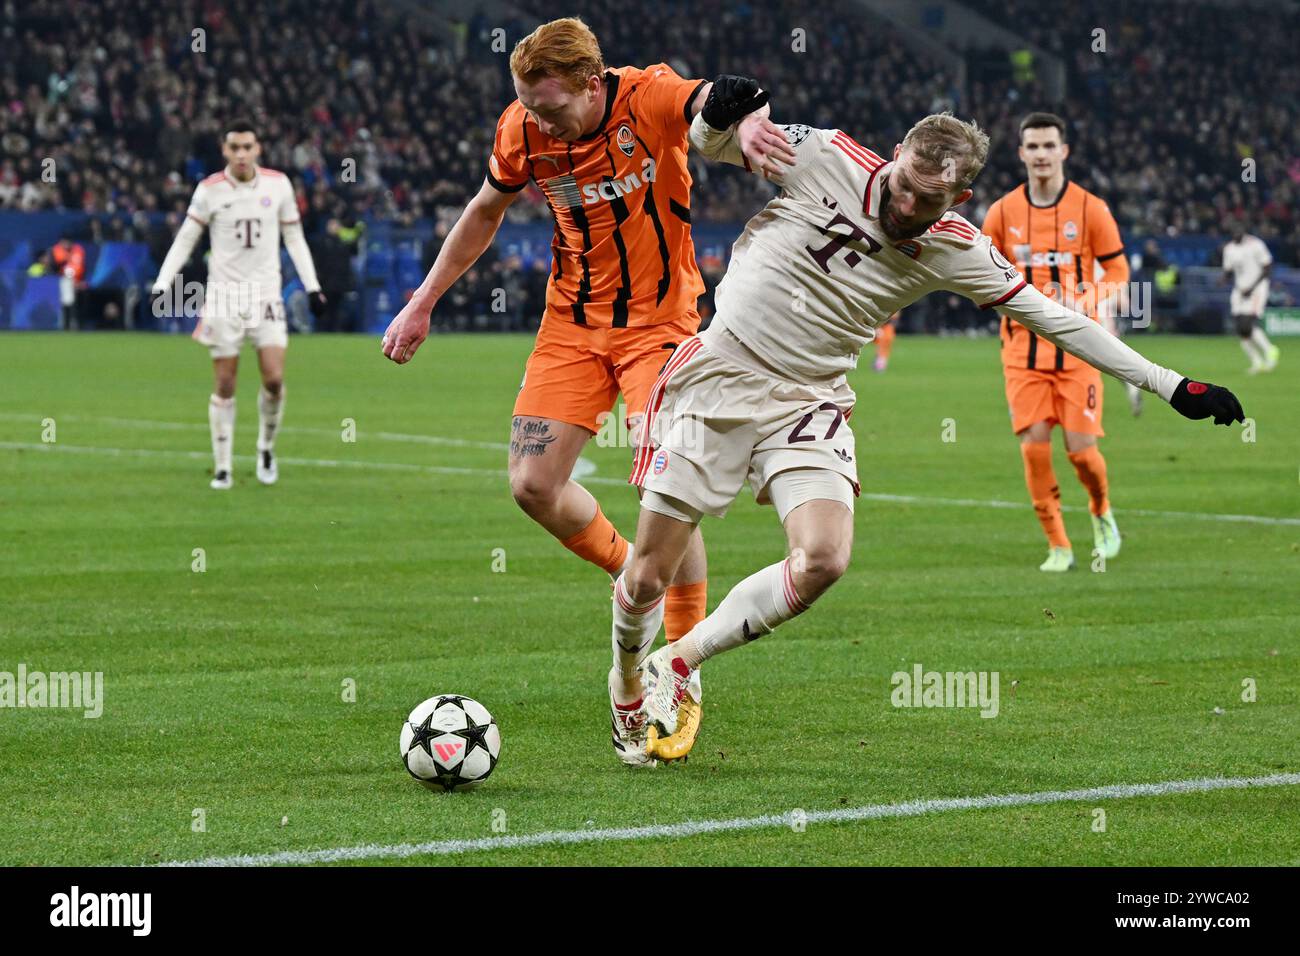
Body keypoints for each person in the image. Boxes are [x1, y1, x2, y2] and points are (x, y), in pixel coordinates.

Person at [610, 93, 1243, 746]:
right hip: (719, 374)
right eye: (905, 185)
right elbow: (709, 142)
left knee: (824, 557)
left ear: (959, 200)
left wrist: (1170, 386)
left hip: (809, 401)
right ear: (895, 158)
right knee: (648, 574)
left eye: (929, 200)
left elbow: (1058, 319)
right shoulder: (825, 154)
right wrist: (724, 116)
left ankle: (679, 662)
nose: (908, 207)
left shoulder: (957, 247)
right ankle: (628, 679)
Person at [380, 18, 780, 765]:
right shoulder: (522, 129)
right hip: (570, 321)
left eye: (551, 105)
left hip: (659, 324)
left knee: (673, 487)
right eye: (528, 105)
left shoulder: (646, 96)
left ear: (594, 85)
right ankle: (637, 571)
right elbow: (485, 211)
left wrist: (748, 117)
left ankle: (678, 673)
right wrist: (422, 300)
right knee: (532, 484)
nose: (538, 120)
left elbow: (711, 101)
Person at [981, 112, 1133, 572]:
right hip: (1021, 352)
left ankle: (1101, 511)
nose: (1042, 154)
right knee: (1034, 447)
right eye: (1034, 146)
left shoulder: (1091, 209)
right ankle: (1059, 545)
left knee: (1082, 453)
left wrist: (1090, 298)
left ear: (1064, 151)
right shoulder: (1002, 212)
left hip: (1078, 348)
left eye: (1050, 146)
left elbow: (1119, 272)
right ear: (1021, 153)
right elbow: (980, 272)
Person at [150, 119, 327, 489]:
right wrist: (163, 283)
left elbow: (294, 237)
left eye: (248, 146)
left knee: (275, 379)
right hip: (224, 296)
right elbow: (186, 238)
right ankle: (223, 466)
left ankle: (265, 447)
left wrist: (312, 287)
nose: (242, 154)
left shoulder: (278, 185)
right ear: (225, 151)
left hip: (265, 294)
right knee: (225, 383)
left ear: (258, 148)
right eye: (235, 148)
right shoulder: (209, 190)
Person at [1220, 222, 1279, 374]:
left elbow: (1267, 268)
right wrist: (1223, 279)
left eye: (1240, 229)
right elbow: (1228, 271)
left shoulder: (1256, 244)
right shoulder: (1229, 249)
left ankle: (1270, 350)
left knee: (1246, 325)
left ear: (1244, 230)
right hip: (1240, 290)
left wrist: (1251, 288)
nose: (1237, 232)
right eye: (1234, 230)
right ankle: (1257, 361)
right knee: (1241, 329)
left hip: (1257, 289)